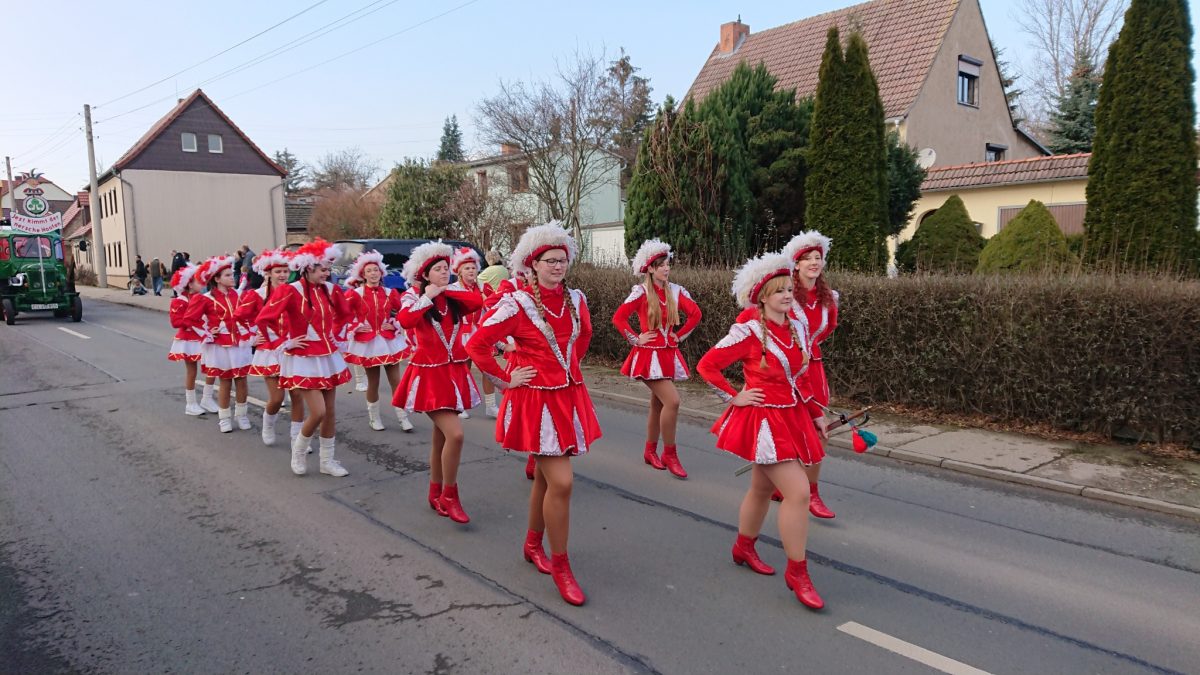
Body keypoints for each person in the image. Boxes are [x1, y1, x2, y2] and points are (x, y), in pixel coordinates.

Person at [465, 221, 602, 607]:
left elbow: (585, 336)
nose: (558, 266)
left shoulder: (576, 300)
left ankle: (531, 544)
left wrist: (568, 369)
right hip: (535, 403)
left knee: (545, 480)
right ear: (533, 264)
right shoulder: (517, 304)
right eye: (550, 261)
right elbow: (478, 345)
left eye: (562, 260)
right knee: (561, 482)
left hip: (567, 397)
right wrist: (507, 376)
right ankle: (561, 565)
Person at [696, 251, 827, 610]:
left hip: (794, 416)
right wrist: (734, 396)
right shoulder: (749, 332)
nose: (788, 295)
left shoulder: (797, 328)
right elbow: (707, 366)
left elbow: (801, 379)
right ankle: (798, 572)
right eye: (780, 290)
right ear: (763, 296)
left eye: (790, 289)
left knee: (760, 488)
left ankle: (743, 547)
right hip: (765, 423)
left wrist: (816, 413)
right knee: (798, 492)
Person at [735, 231, 839, 517]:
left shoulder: (828, 299)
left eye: (818, 258)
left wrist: (806, 350)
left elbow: (827, 329)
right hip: (779, 374)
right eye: (807, 259)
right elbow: (748, 320)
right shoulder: (783, 295)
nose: (814, 263)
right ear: (796, 264)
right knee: (787, 428)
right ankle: (784, 486)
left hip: (811, 371)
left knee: (820, 431)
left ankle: (811, 491)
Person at [393, 242, 483, 524]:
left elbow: (478, 303)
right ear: (426, 274)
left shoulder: (452, 295)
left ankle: (435, 491)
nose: (446, 273)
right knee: (455, 435)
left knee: (441, 438)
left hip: (453, 374)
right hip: (429, 376)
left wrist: (449, 288)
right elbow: (405, 320)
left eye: (447, 268)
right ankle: (449, 494)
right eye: (439, 270)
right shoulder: (412, 296)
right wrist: (427, 296)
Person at [255, 238, 353, 477]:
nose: (327, 273)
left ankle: (326, 461)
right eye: (323, 269)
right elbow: (263, 319)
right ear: (309, 267)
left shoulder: (331, 290)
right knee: (317, 412)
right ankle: (298, 451)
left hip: (328, 355)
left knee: (329, 412)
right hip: (302, 358)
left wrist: (335, 335)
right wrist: (284, 342)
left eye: (329, 269)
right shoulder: (291, 290)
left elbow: (345, 315)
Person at [612, 239, 702, 478]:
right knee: (673, 401)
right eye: (660, 265)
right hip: (647, 357)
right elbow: (619, 318)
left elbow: (695, 314)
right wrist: (635, 338)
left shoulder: (675, 291)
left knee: (658, 405)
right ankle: (669, 454)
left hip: (668, 355)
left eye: (667, 263)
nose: (666, 268)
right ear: (650, 268)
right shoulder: (640, 292)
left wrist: (679, 337)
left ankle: (650, 451)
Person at [343, 250, 412, 433]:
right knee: (373, 383)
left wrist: (395, 323)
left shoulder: (390, 293)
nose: (373, 274)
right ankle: (374, 418)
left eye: (376, 270)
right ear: (363, 275)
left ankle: (402, 417)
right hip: (369, 343)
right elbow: (343, 315)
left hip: (388, 340)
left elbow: (403, 313)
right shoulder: (355, 294)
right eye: (369, 271)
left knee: (396, 381)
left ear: (381, 273)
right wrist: (356, 326)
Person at [185, 256, 253, 433]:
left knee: (241, 380)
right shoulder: (205, 299)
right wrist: (207, 333)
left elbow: (251, 316)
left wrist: (251, 334)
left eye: (233, 274)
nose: (233, 278)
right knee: (225, 381)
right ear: (217, 279)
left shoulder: (239, 295)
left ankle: (241, 414)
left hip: (239, 344)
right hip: (219, 345)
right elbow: (190, 320)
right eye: (228, 275)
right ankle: (224, 418)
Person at [235, 249, 296, 446]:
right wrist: (252, 336)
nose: (283, 275)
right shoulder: (257, 295)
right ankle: (268, 424)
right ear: (268, 273)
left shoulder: (295, 292)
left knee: (297, 397)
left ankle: (298, 438)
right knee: (277, 398)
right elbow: (238, 317)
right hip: (269, 350)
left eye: (286, 271)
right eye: (278, 271)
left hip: (292, 348)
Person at [167, 263, 218, 415]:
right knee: (192, 371)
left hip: (204, 336)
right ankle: (190, 403)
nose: (202, 284)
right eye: (197, 281)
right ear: (189, 284)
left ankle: (207, 398)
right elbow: (176, 322)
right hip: (189, 340)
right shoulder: (179, 301)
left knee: (213, 367)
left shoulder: (202, 298)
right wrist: (192, 320)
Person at [451, 247, 492, 419]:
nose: (471, 271)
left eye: (474, 267)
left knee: (487, 368)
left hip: (479, 333)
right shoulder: (452, 289)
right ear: (459, 271)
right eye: (467, 268)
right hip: (462, 333)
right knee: (463, 368)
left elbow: (494, 307)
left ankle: (491, 406)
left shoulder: (484, 287)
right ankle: (460, 404)